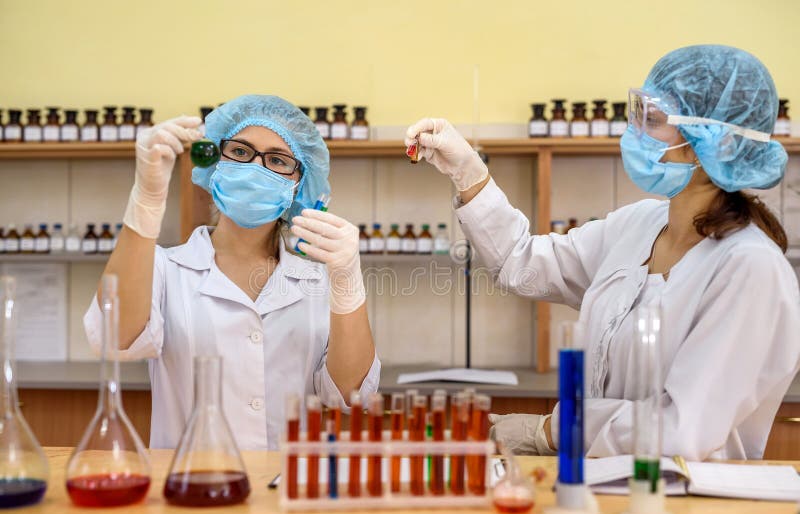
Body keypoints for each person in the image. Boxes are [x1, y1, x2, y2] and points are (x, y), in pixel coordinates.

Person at [404, 45, 800, 461]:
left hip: (689, 510)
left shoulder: (751, 268)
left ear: (713, 142)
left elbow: (683, 429)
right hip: (602, 494)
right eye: (638, 112)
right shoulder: (640, 224)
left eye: (654, 118)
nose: (635, 130)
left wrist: (551, 431)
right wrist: (468, 170)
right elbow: (521, 262)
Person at [84, 95, 379, 450]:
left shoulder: (319, 282)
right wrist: (146, 201)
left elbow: (350, 394)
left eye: (277, 160)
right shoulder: (164, 268)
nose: (256, 168)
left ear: (299, 182)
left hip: (285, 489)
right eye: (240, 151)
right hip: (191, 489)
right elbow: (113, 338)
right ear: (216, 160)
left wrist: (347, 279)